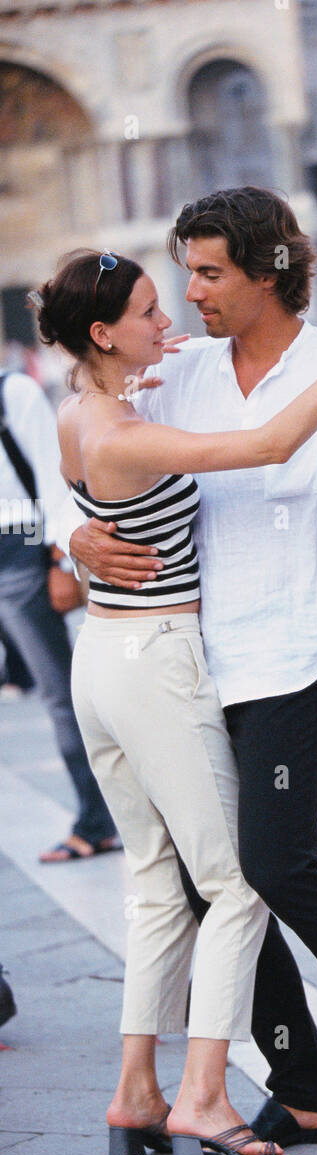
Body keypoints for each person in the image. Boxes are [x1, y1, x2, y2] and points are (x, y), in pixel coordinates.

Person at [55, 188, 317, 1155]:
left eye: (208, 273)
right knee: (210, 883)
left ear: (266, 271)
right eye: (183, 274)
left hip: (286, 653)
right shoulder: (179, 369)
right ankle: (305, 1088)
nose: (190, 293)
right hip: (188, 663)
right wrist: (72, 538)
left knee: (279, 868)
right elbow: (83, 439)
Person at [0, 366, 120, 860]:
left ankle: (98, 820)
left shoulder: (14, 391)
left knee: (58, 690)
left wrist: (56, 557)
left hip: (21, 549)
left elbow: (55, 479)